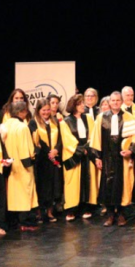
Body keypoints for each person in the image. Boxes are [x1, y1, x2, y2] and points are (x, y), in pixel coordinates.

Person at [93, 92, 135, 227]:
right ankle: (111, 215)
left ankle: (122, 214)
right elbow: (95, 139)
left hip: (122, 158)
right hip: (107, 157)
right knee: (107, 186)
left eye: (118, 100)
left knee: (122, 186)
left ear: (122, 101)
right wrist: (97, 157)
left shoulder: (128, 117)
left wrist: (131, 150)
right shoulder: (101, 117)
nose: (116, 102)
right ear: (109, 102)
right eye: (113, 100)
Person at [59, 94, 98, 222]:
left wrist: (87, 148)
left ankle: (86, 207)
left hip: (87, 153)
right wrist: (81, 150)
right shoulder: (66, 122)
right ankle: (71, 209)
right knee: (73, 183)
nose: (83, 105)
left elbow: (93, 136)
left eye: (83, 103)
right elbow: (68, 140)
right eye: (80, 104)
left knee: (87, 180)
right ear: (74, 106)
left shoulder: (88, 118)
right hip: (75, 155)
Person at [4, 101, 39, 231]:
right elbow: (25, 150)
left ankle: (15, 222)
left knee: (13, 194)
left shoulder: (6, 125)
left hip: (9, 165)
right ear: (22, 111)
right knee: (25, 193)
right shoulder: (22, 127)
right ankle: (26, 223)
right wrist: (30, 163)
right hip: (21, 165)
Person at [29, 100, 63, 223]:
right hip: (41, 161)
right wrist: (47, 152)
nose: (46, 112)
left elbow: (60, 138)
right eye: (43, 110)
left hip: (54, 158)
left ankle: (49, 212)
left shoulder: (54, 121)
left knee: (53, 186)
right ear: (38, 110)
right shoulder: (33, 123)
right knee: (42, 186)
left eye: (48, 109)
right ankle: (39, 213)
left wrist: (56, 150)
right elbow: (34, 142)